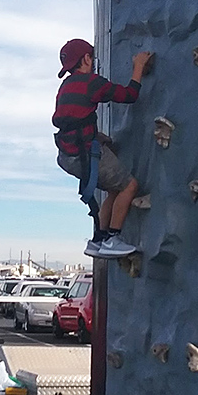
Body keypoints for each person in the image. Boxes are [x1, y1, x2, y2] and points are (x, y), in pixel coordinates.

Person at [53, 39, 152, 258]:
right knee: (129, 186)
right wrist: (138, 67)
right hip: (85, 154)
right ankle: (113, 239)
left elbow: (74, 119)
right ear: (87, 59)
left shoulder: (65, 87)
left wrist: (97, 136)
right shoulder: (91, 82)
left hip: (68, 156)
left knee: (113, 189)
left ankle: (98, 239)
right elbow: (129, 96)